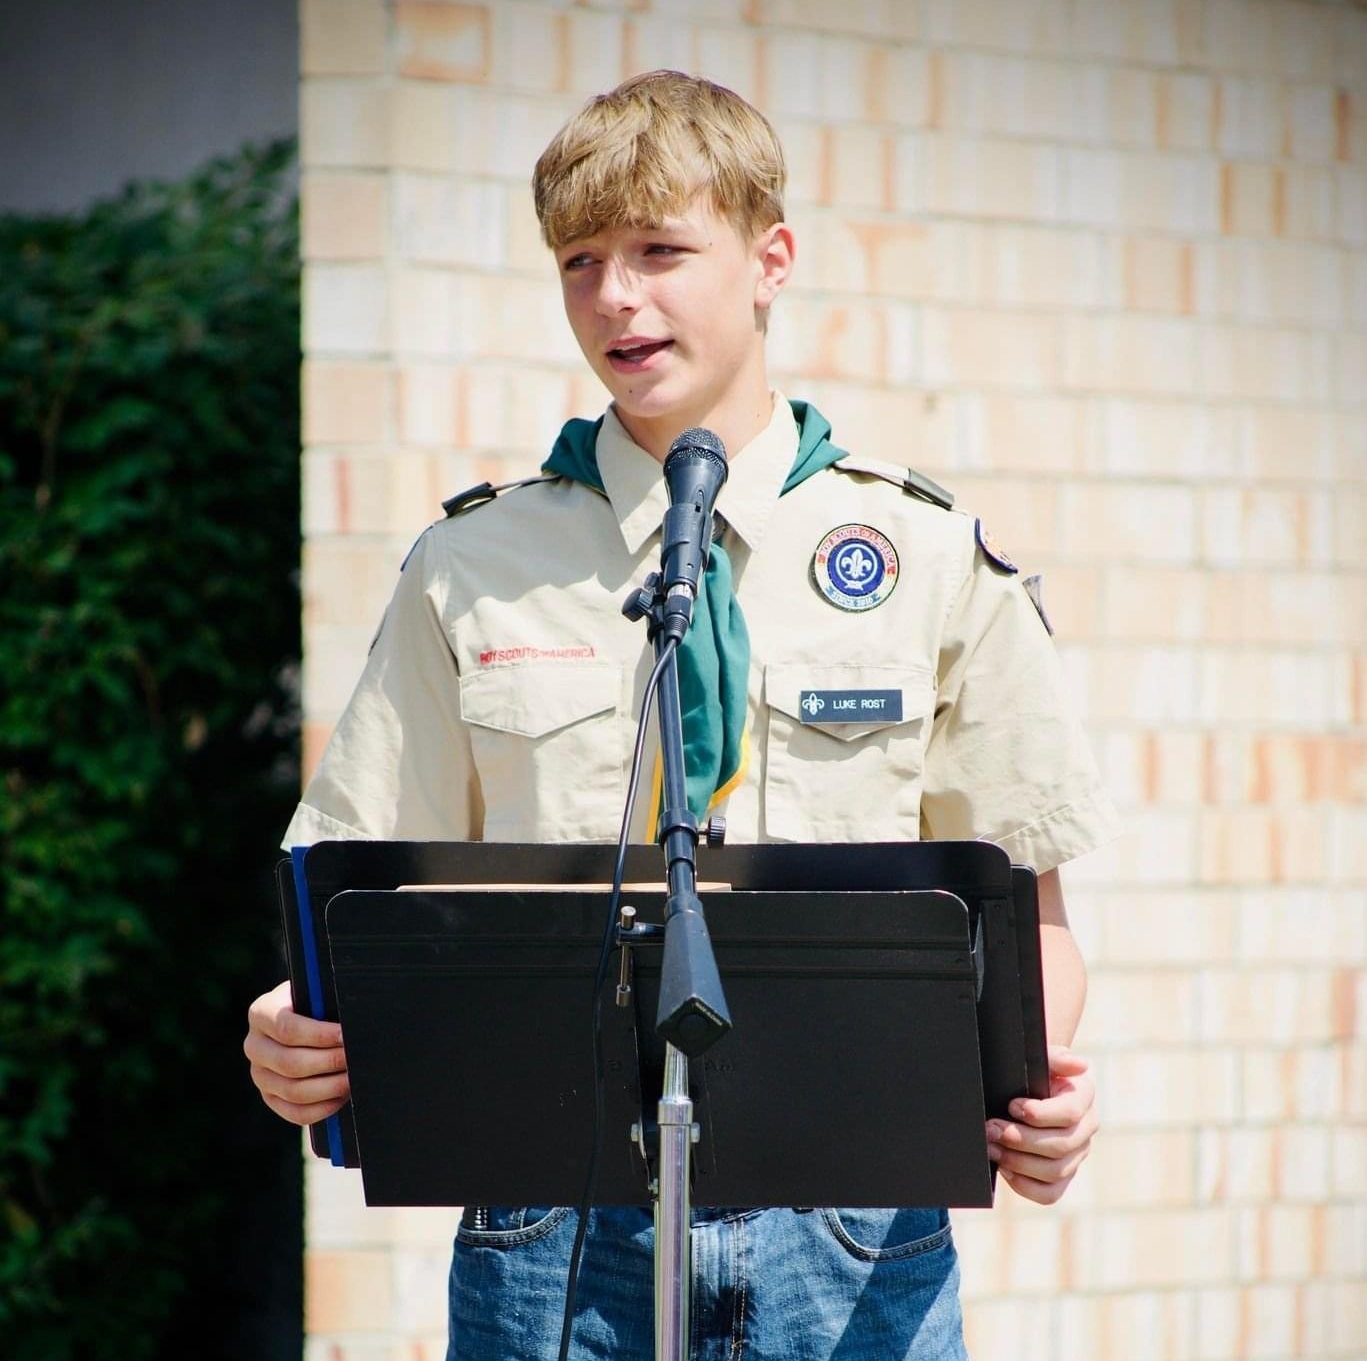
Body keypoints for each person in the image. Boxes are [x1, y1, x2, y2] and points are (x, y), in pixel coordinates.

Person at [244, 70, 1119, 1360]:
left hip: (849, 1239)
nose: (616, 296)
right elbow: (357, 898)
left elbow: (1031, 929)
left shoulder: (931, 560)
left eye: (661, 251)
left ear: (771, 260)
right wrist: (293, 1032)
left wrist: (1034, 1092)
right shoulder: (471, 566)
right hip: (554, 1230)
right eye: (580, 260)